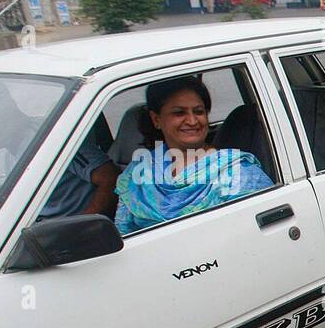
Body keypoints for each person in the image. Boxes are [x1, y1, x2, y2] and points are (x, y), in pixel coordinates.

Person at [114, 75, 274, 236]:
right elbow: (123, 233)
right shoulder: (141, 171)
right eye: (179, 113)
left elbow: (252, 237)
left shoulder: (236, 173)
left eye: (198, 112)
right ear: (156, 119)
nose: (192, 121)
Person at [38, 139, 119, 220]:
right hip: (43, 225)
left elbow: (110, 178)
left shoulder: (60, 146)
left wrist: (84, 222)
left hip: (83, 223)